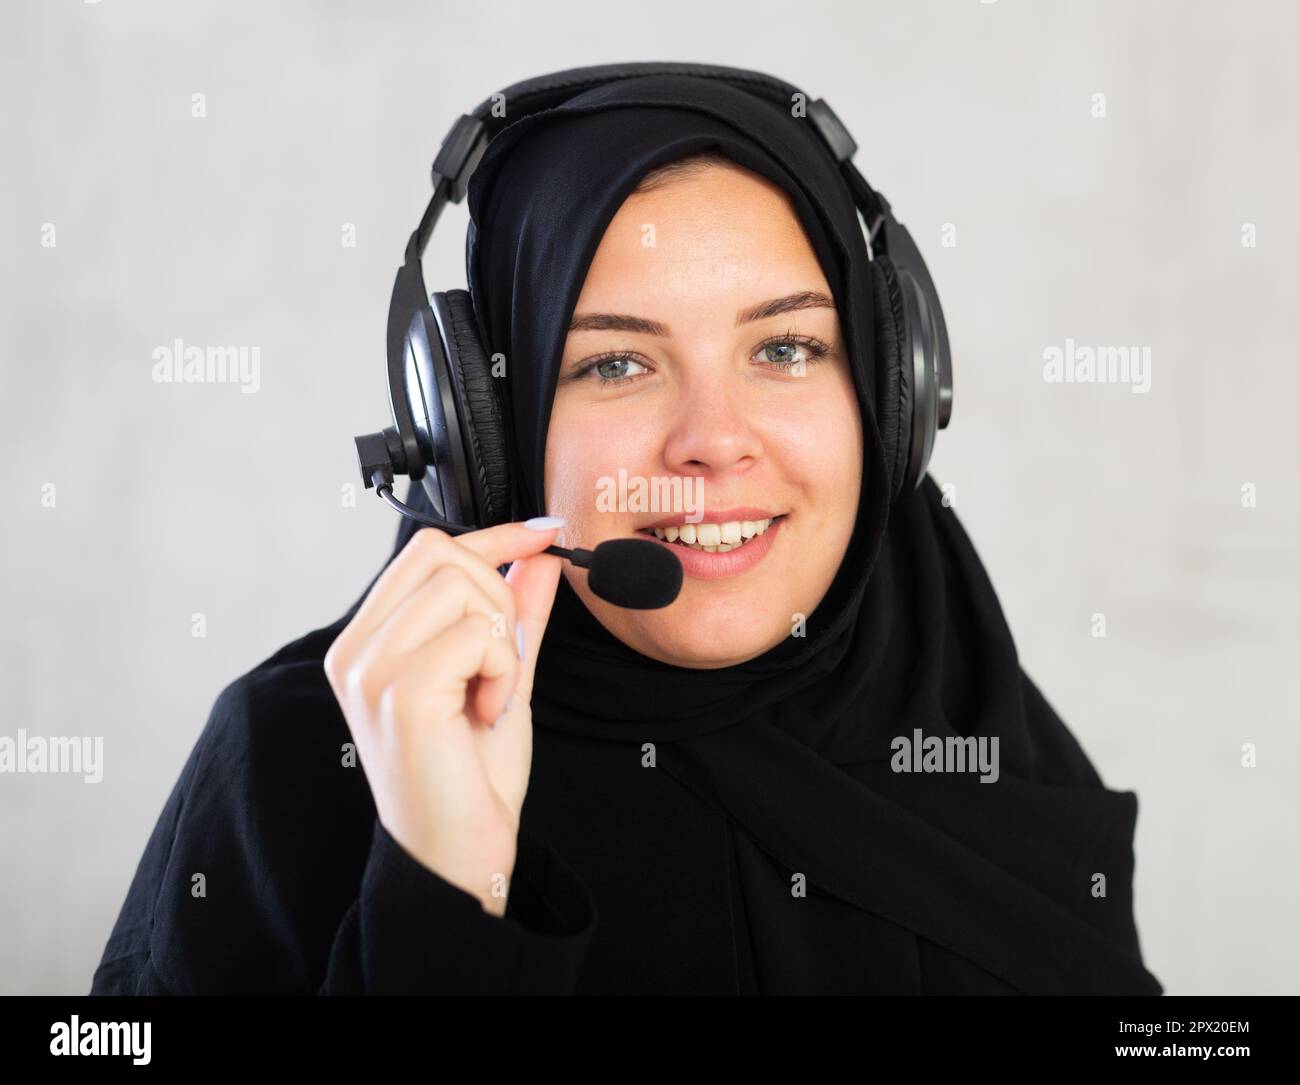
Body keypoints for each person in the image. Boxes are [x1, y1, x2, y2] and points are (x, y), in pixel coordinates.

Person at [90, 71, 1162, 995]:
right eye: (613, 362)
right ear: (485, 435)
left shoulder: (969, 711)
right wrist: (444, 881)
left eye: (786, 348)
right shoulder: (292, 762)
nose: (714, 442)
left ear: (891, 390)